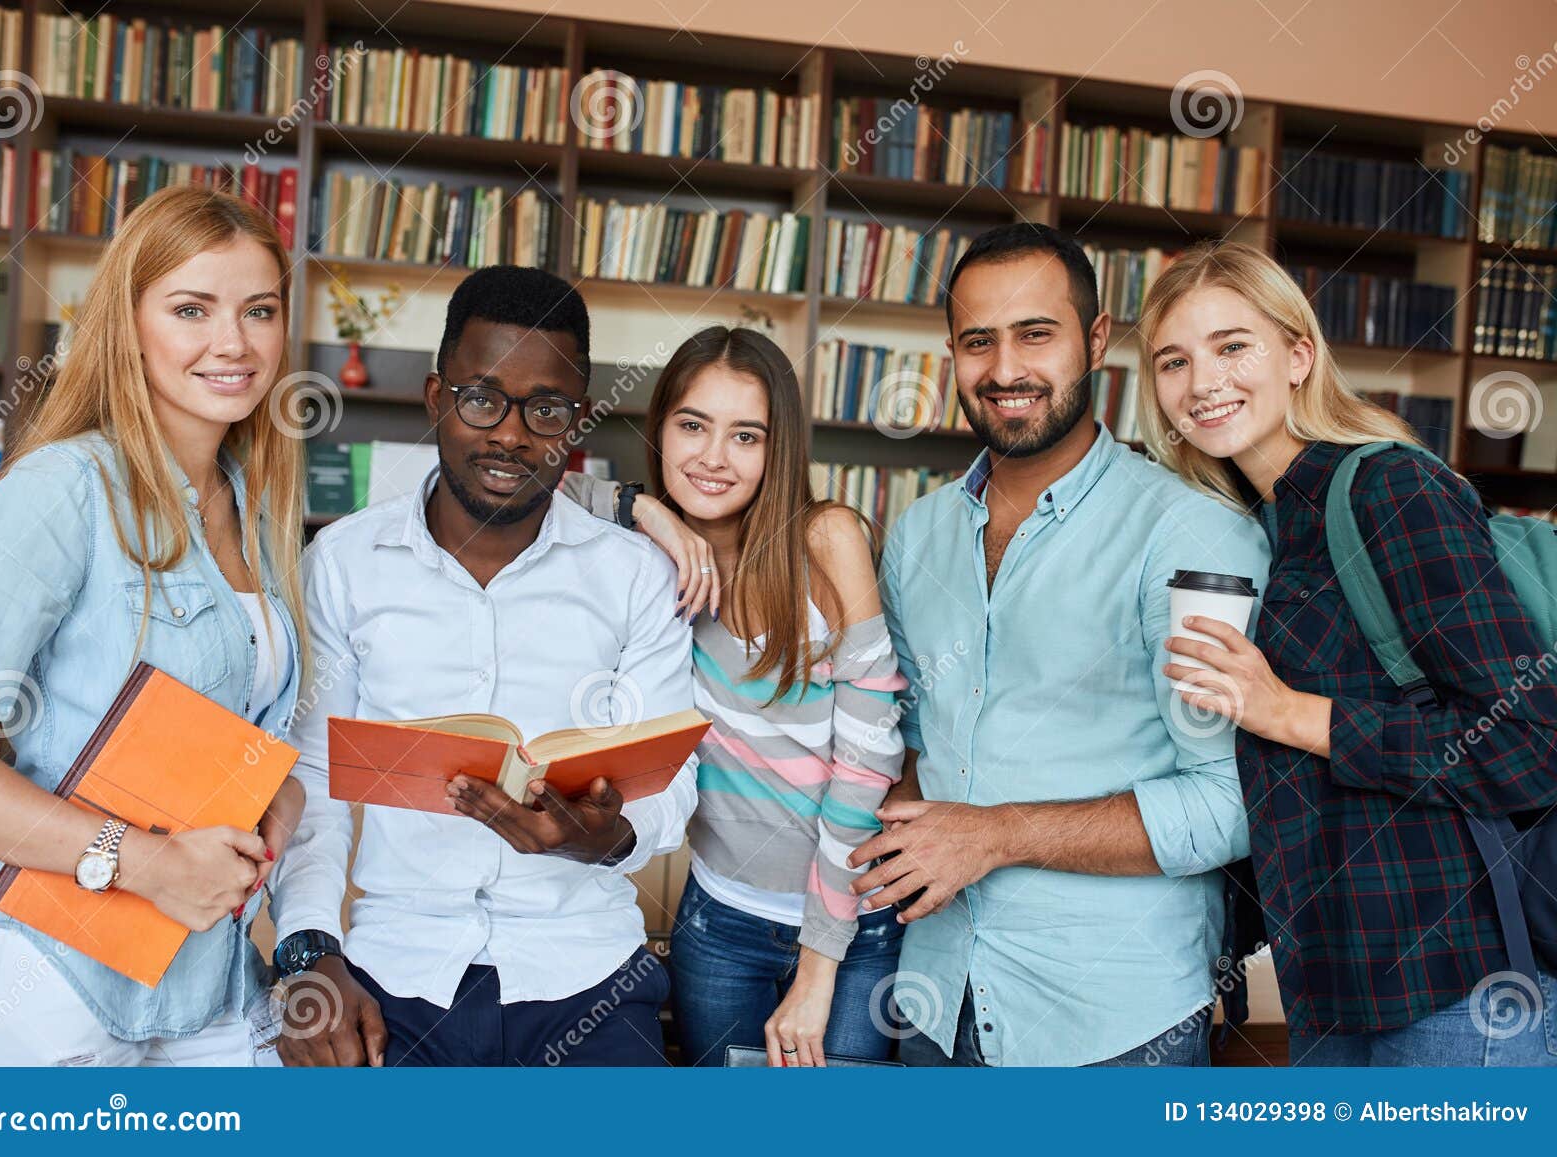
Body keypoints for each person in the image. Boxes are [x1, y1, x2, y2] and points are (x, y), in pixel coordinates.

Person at [853, 221, 1271, 1067]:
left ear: (1095, 340)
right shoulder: (919, 534)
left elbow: (1233, 800)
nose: (1005, 370)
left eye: (1035, 335)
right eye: (979, 342)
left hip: (1116, 1022)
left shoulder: (1191, 534)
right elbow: (908, 742)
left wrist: (995, 833)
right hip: (933, 1002)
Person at [1137, 239, 1557, 1066]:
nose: (1203, 382)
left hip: (1457, 991)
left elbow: (1528, 741)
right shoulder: (1253, 529)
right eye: (1173, 361)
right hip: (1327, 984)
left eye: (1232, 347)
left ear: (1298, 356)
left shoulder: (1389, 488)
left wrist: (1290, 712)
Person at [269, 265, 695, 1068]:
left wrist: (601, 838)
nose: (510, 433)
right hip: (395, 970)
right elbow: (314, 780)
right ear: (437, 399)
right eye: (481, 398)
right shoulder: (346, 562)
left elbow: (670, 784)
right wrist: (308, 952)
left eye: (546, 409)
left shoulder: (634, 575)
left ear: (575, 423)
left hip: (588, 972)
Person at [0, 186, 308, 1066]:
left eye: (258, 310)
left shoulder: (263, 513)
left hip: (208, 977)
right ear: (129, 322)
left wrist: (278, 799)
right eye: (192, 308)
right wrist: (144, 862)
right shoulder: (62, 491)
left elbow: (249, 728)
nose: (233, 343)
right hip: (56, 982)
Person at [561, 326, 908, 1067]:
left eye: (745, 435)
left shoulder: (826, 538)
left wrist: (819, 962)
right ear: (660, 429)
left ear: (775, 450)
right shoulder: (653, 562)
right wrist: (647, 510)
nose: (714, 457)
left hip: (854, 931)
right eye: (692, 425)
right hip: (720, 923)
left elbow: (869, 758)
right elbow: (538, 480)